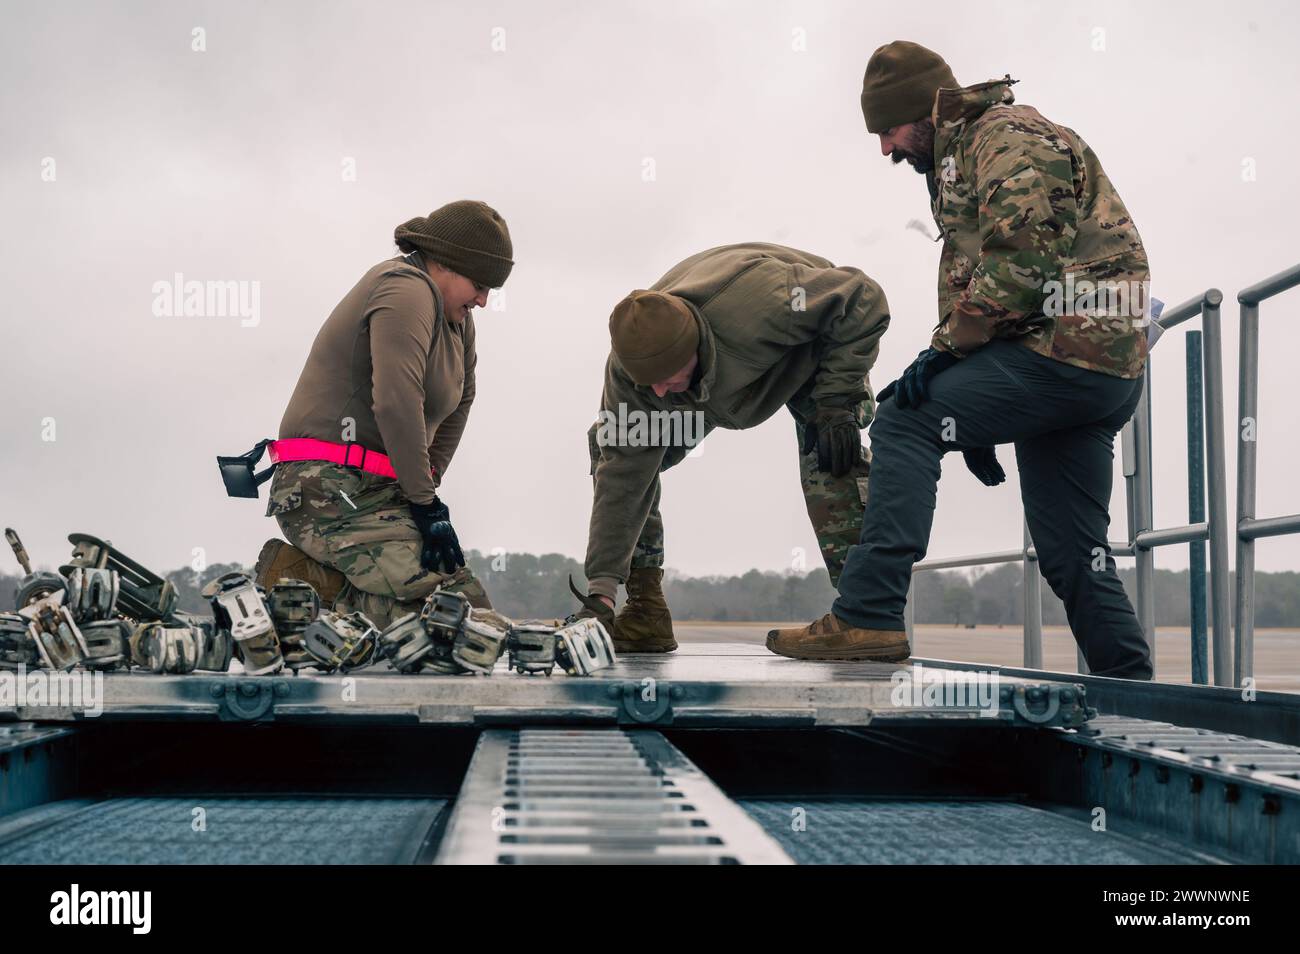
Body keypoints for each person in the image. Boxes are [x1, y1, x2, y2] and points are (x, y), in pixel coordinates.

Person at [768, 42, 1153, 679]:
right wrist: (966, 378)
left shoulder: (1004, 139)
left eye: (887, 130)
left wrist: (945, 357)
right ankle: (1134, 692)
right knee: (1071, 553)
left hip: (1068, 351)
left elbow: (1024, 261)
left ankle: (868, 613)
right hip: (1088, 367)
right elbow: (1001, 270)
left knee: (903, 418)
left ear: (924, 112)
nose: (885, 148)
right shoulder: (967, 151)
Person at [570, 243, 890, 653]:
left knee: (831, 450)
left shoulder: (764, 303)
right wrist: (600, 593)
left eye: (667, 377)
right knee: (612, 445)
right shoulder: (636, 376)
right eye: (648, 384)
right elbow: (621, 476)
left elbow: (863, 297)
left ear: (691, 349)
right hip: (708, 392)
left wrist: (837, 398)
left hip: (807, 350)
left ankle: (867, 617)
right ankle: (644, 612)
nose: (658, 391)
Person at [254, 200, 513, 629]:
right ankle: (298, 586)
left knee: (465, 603)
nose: (484, 301)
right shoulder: (405, 289)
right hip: (329, 487)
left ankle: (315, 581)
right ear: (445, 264)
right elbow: (396, 400)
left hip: (383, 489)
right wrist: (425, 505)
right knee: (445, 623)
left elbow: (461, 401)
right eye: (479, 285)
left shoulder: (458, 321)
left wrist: (426, 485)